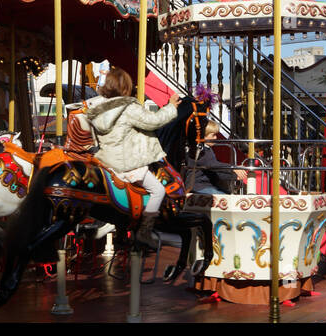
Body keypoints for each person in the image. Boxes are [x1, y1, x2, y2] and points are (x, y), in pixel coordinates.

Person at [86, 67, 177, 247]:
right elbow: (153, 121)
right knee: (158, 191)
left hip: (105, 163)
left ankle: (116, 225)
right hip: (126, 164)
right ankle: (145, 231)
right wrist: (171, 107)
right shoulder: (128, 108)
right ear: (126, 87)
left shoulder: (98, 109)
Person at [188, 121, 248, 194]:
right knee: (225, 198)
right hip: (197, 186)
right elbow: (213, 165)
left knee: (229, 195)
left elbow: (216, 173)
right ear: (203, 136)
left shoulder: (207, 149)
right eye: (213, 135)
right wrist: (233, 168)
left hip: (205, 185)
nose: (216, 137)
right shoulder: (199, 150)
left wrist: (234, 176)